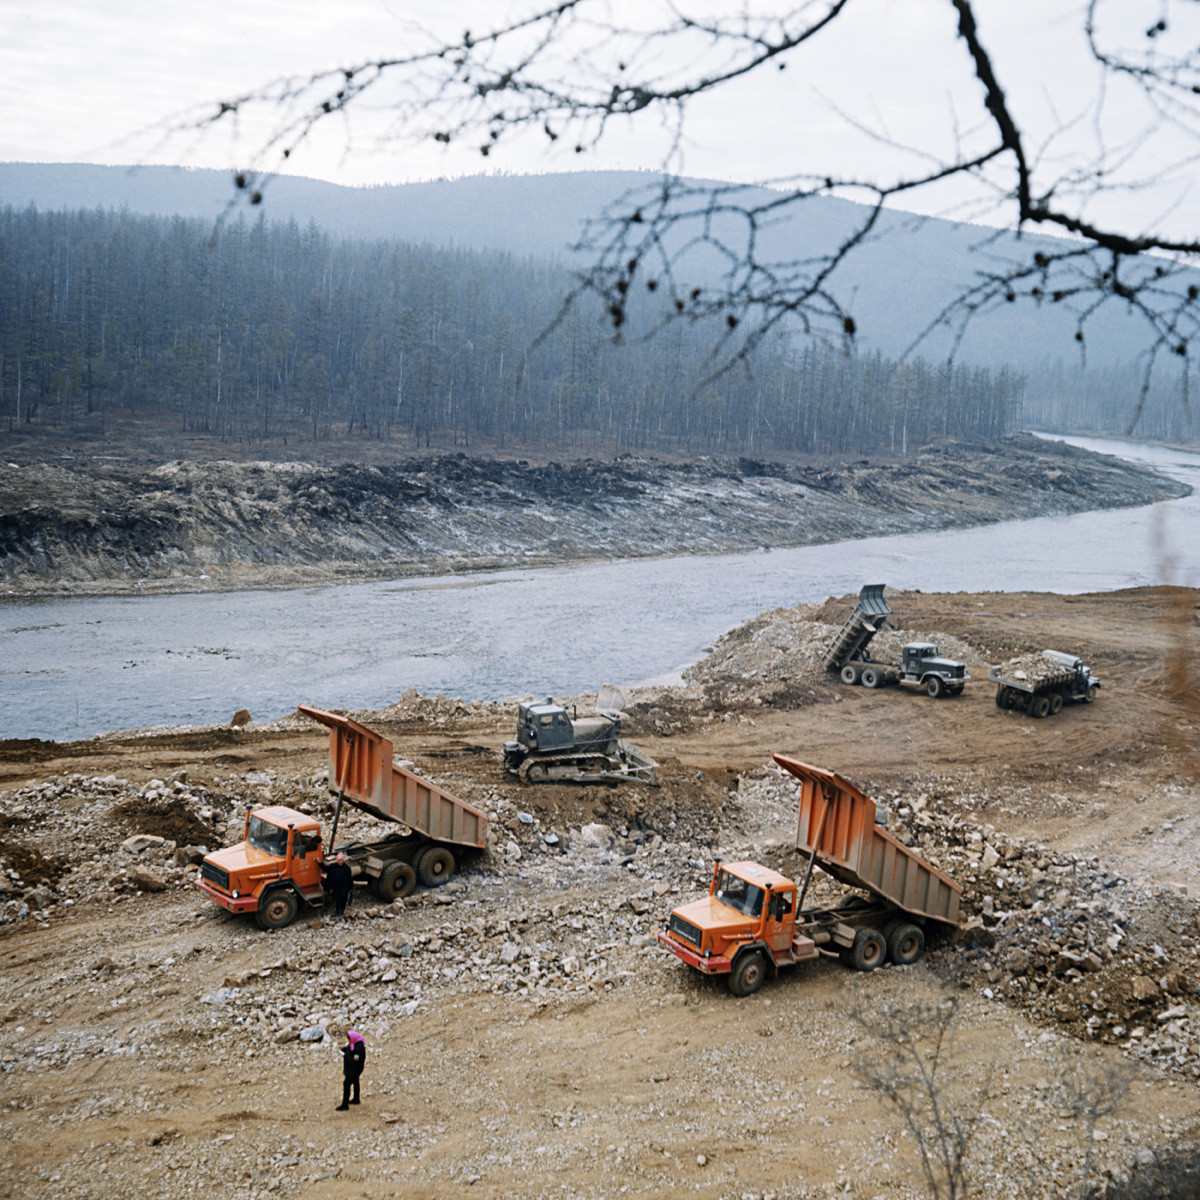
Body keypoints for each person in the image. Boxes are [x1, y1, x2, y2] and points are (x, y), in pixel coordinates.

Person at [336, 1030, 366, 1110]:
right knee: (355, 1081)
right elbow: (350, 1049)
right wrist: (344, 1049)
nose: (349, 1041)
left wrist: (345, 1056)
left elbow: (355, 1060)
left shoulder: (360, 1048)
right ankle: (356, 1099)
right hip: (352, 1069)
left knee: (346, 1084)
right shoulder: (354, 1042)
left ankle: (345, 1105)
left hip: (354, 1069)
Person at [322, 852, 354, 918]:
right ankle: (337, 911)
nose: (340, 861)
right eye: (339, 860)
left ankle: (341, 912)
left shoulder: (347, 868)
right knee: (337, 900)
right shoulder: (333, 867)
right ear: (337, 860)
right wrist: (319, 863)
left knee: (343, 900)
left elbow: (350, 878)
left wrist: (351, 888)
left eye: (341, 860)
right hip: (336, 887)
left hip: (344, 887)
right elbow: (326, 869)